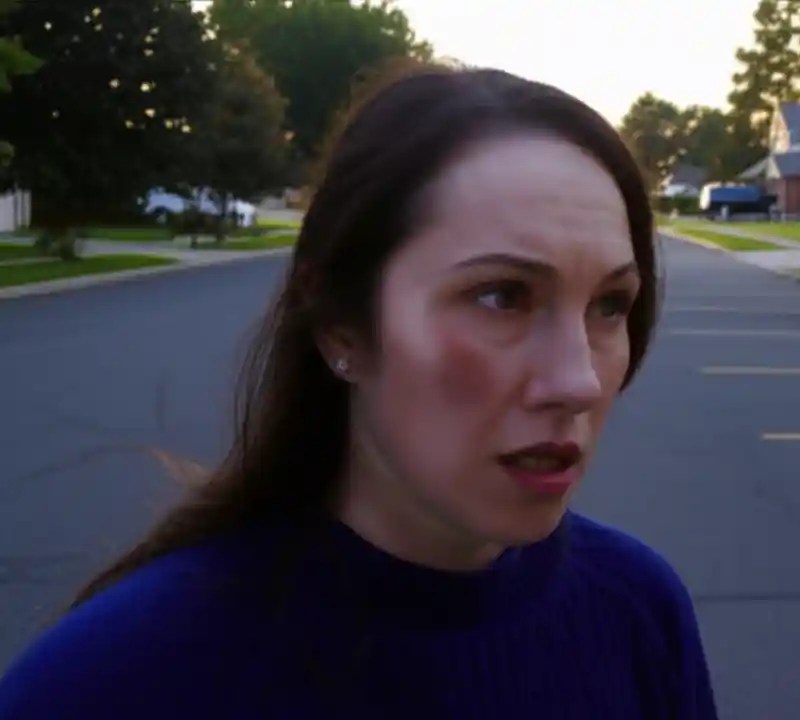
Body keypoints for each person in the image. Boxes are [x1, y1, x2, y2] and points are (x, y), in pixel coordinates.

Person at [0, 63, 718, 719]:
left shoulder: (637, 612)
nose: (578, 380)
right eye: (502, 296)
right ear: (340, 323)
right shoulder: (113, 680)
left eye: (610, 305)